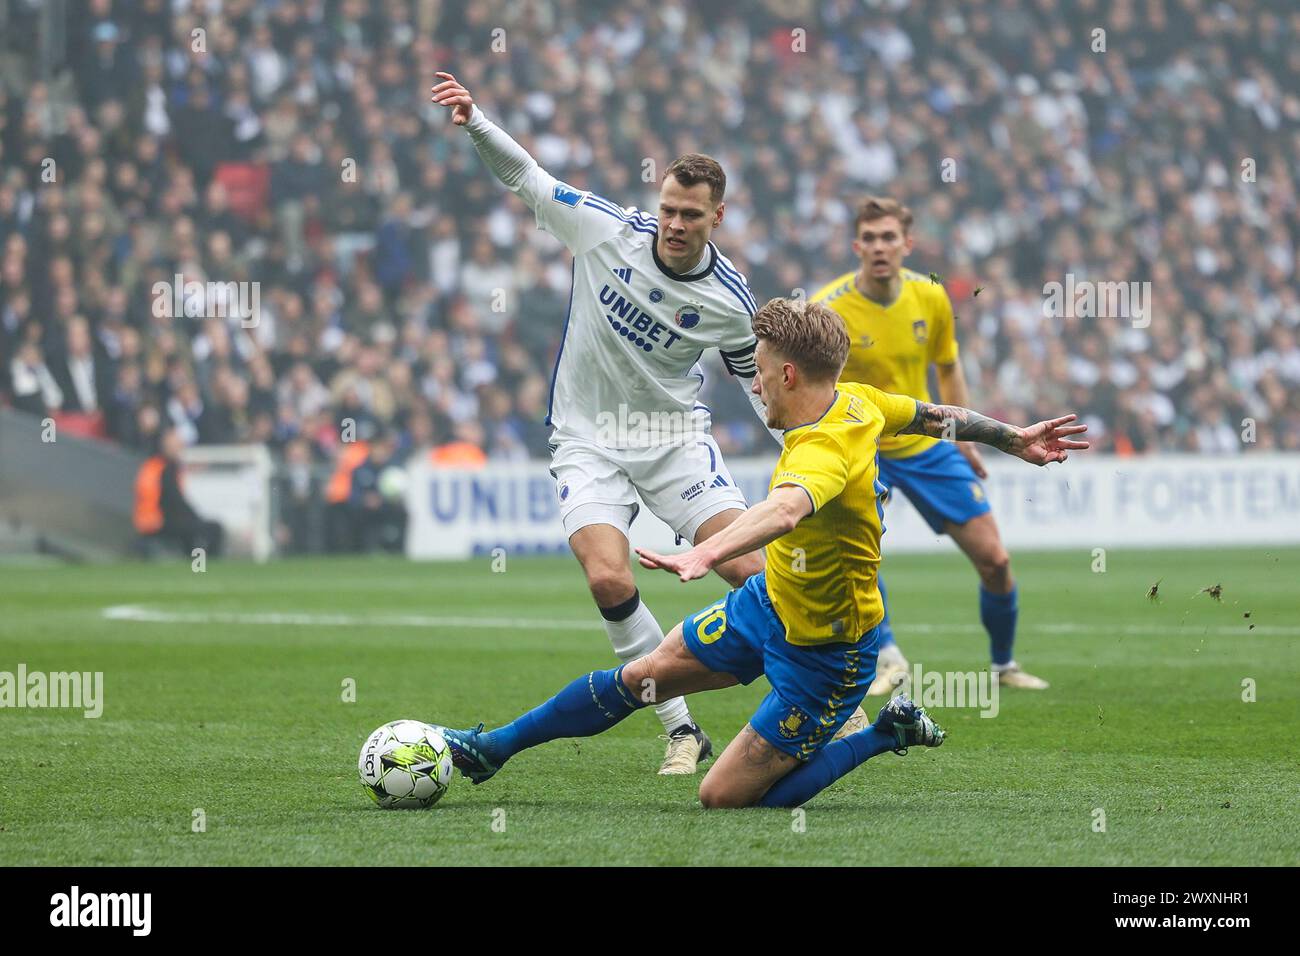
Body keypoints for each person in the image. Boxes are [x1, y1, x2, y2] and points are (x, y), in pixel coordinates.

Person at [434, 298, 1088, 808]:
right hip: (768, 603)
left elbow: (784, 510)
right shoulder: (856, 400)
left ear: (789, 372)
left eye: (758, 367)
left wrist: (703, 552)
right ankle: (493, 749)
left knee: (721, 797)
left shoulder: (821, 451)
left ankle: (884, 733)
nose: (753, 383)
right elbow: (928, 414)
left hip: (828, 655)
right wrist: (1009, 436)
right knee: (642, 679)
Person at [431, 71, 777, 774]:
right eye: (670, 209)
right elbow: (528, 177)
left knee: (755, 573)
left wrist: (816, 457)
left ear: (719, 217)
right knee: (609, 583)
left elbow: (762, 388)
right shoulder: (605, 229)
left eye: (692, 215)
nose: (676, 224)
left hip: (673, 442)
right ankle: (682, 729)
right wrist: (475, 122)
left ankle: (824, 694)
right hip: (586, 439)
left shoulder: (731, 302)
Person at [812, 197, 1047, 697]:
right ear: (857, 245)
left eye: (888, 237)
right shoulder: (828, 308)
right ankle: (887, 657)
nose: (879, 247)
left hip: (928, 437)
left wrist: (966, 438)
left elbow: (948, 366)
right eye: (870, 238)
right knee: (860, 561)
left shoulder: (930, 296)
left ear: (907, 243)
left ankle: (1003, 665)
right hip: (862, 448)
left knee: (996, 561)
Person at [133, 427, 225, 558]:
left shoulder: (153, 466)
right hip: (157, 521)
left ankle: (195, 564)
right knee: (207, 530)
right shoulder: (165, 469)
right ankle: (199, 567)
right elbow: (173, 500)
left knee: (195, 529)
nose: (179, 450)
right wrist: (194, 517)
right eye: (176, 446)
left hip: (151, 520)